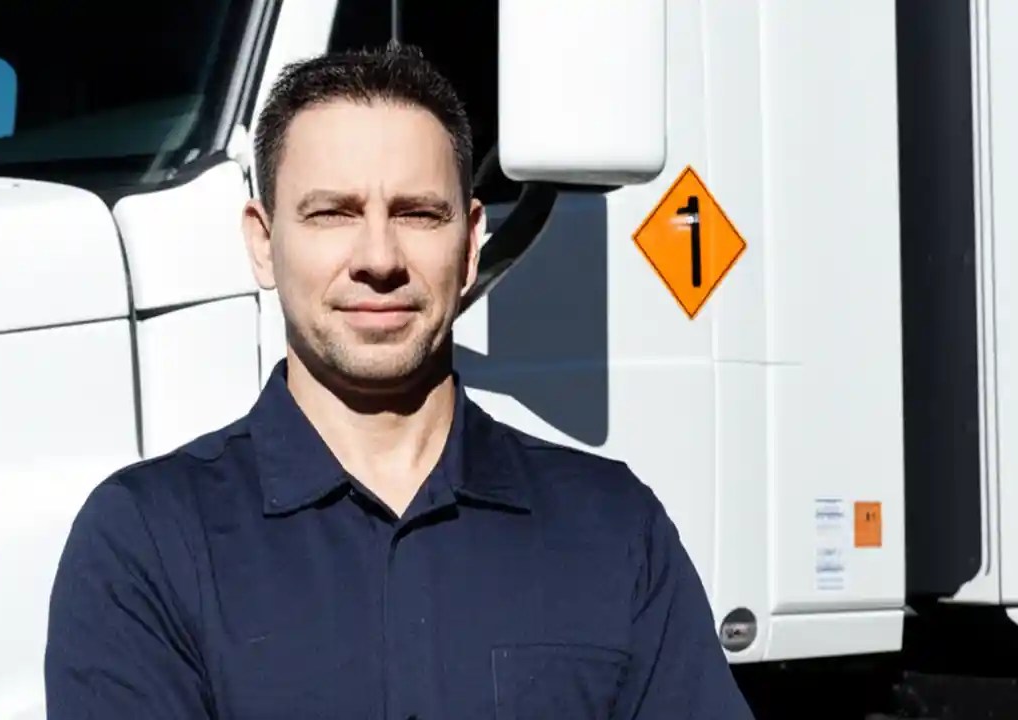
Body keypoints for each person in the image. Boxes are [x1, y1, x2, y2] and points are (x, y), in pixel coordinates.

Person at [43, 43, 755, 720]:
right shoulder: (146, 543)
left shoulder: (613, 529)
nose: (378, 257)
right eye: (333, 213)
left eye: (417, 213)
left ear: (471, 242)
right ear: (264, 242)